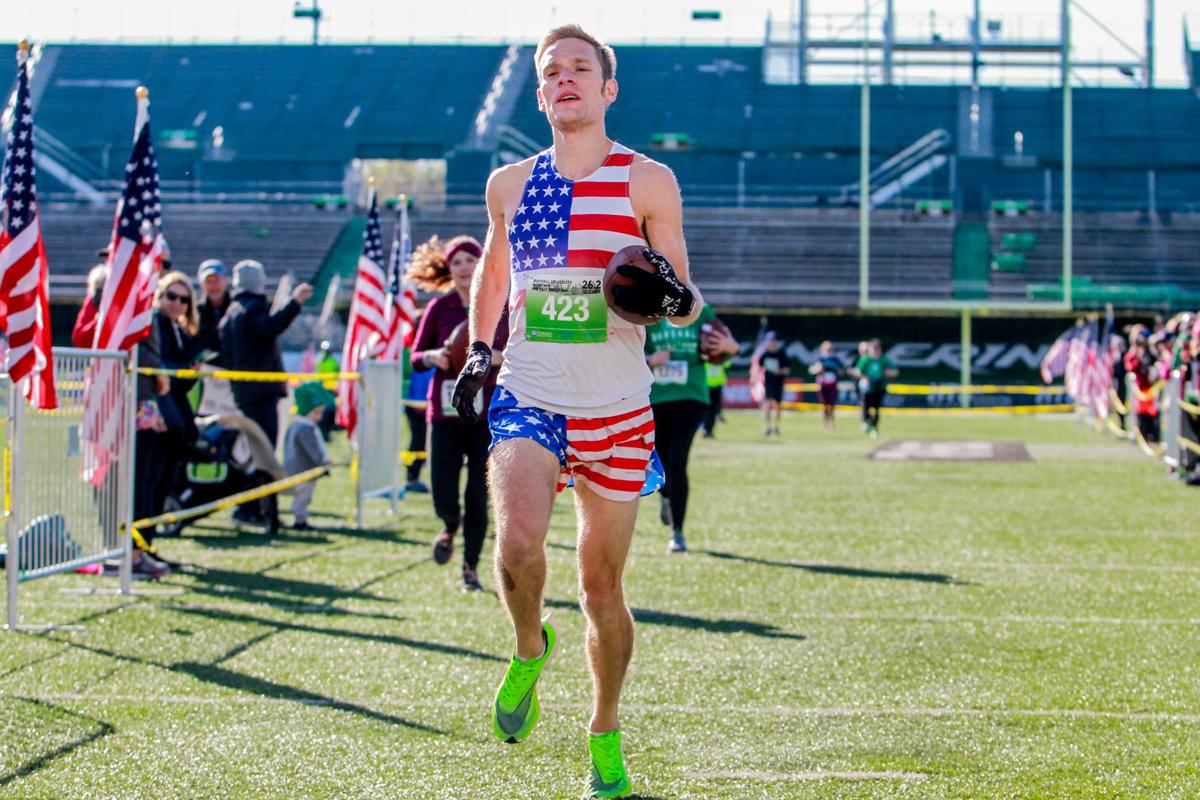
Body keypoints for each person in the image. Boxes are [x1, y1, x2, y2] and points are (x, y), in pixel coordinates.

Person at [449, 25, 702, 798]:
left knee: (601, 588)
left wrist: (669, 299)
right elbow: (493, 280)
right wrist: (479, 353)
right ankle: (530, 647)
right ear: (539, 93)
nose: (565, 80)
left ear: (606, 89)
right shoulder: (510, 184)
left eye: (580, 69)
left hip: (620, 407)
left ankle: (605, 732)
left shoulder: (647, 180)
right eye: (551, 72)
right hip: (532, 393)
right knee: (519, 544)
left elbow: (686, 306)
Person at [409, 235, 509, 592]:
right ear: (449, 270)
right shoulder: (439, 309)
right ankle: (450, 525)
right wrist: (435, 356)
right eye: (457, 263)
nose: (464, 268)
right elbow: (415, 356)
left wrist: (494, 357)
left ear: (482, 264)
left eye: (471, 260)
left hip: (488, 414)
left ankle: (471, 568)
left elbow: (519, 351)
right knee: (443, 490)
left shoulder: (503, 304)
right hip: (446, 411)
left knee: (478, 496)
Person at [219, 259, 313, 525]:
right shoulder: (251, 309)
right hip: (260, 394)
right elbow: (270, 327)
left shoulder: (232, 311)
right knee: (263, 455)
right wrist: (295, 303)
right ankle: (254, 510)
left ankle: (256, 509)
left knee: (253, 452)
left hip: (243, 393)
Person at [645, 304, 736, 552]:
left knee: (677, 460)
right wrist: (651, 359)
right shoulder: (644, 309)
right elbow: (627, 357)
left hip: (692, 395)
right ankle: (665, 496)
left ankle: (677, 532)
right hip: (656, 398)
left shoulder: (698, 310)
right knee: (661, 460)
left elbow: (726, 343)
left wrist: (730, 349)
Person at [151, 271, 201, 518]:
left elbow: (179, 381)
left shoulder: (180, 330)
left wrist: (190, 373)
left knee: (166, 479)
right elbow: (157, 365)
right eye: (172, 296)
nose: (177, 303)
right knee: (155, 479)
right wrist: (182, 370)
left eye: (184, 300)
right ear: (161, 296)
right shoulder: (156, 323)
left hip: (176, 415)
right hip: (160, 417)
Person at [284, 382, 334, 531]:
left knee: (303, 498)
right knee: (303, 498)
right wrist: (323, 462)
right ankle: (300, 521)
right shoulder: (305, 429)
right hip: (303, 472)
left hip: (295, 470)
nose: (319, 418)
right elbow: (313, 450)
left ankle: (301, 519)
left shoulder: (295, 426)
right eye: (316, 413)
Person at [851, 338, 898, 437]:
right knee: (865, 407)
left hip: (879, 388)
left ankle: (874, 427)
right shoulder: (866, 359)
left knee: (876, 409)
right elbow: (856, 371)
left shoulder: (883, 359)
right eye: (873, 348)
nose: (875, 350)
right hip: (868, 389)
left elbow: (895, 372)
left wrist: (888, 373)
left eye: (877, 348)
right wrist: (866, 378)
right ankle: (866, 423)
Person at [195, 259, 230, 364]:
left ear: (225, 280)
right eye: (209, 282)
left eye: (217, 281)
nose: (213, 286)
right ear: (202, 284)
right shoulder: (195, 311)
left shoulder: (237, 309)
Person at [753, 333, 788, 436]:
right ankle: (767, 427)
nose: (772, 343)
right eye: (770, 341)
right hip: (767, 383)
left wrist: (779, 371)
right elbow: (758, 366)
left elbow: (787, 369)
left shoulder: (782, 354)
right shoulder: (764, 354)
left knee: (777, 406)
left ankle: (776, 427)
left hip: (778, 383)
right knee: (767, 405)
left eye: (774, 341)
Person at [809, 340, 844, 429]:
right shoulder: (820, 359)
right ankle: (825, 422)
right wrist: (818, 369)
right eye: (827, 349)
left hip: (833, 384)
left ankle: (832, 422)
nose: (829, 351)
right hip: (823, 384)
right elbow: (811, 370)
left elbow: (842, 371)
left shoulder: (836, 360)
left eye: (830, 349)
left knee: (832, 404)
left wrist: (838, 371)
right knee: (824, 405)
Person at [700, 360, 727, 438]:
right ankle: (705, 429)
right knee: (706, 408)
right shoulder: (704, 353)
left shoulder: (720, 352)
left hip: (718, 384)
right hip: (706, 384)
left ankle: (709, 430)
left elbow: (727, 363)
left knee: (715, 409)